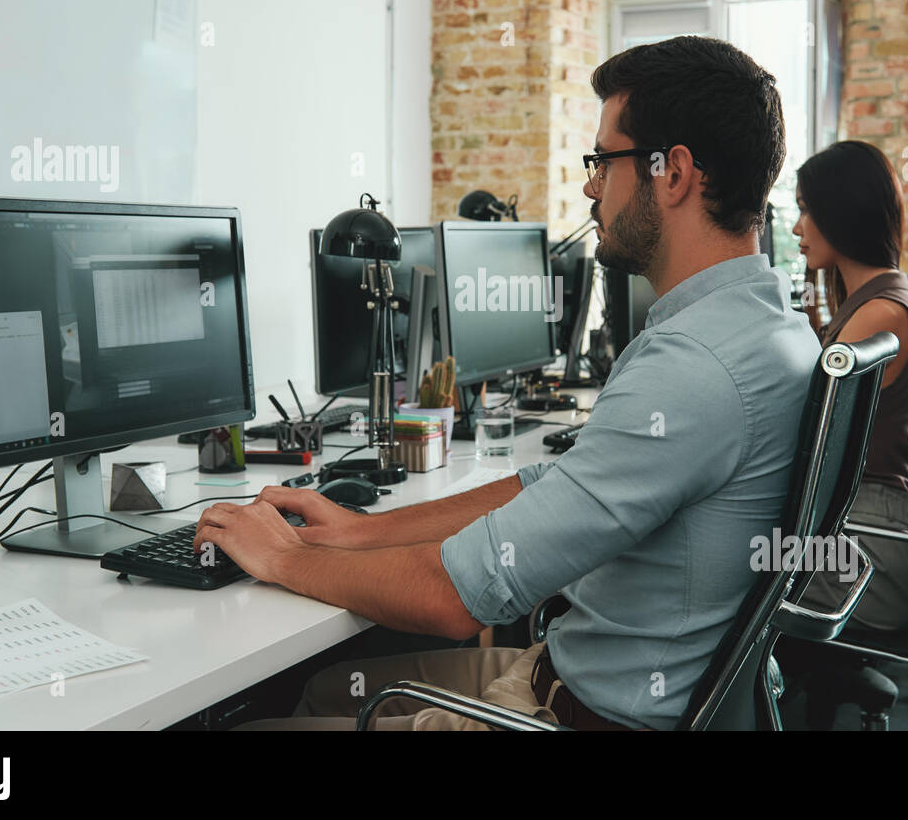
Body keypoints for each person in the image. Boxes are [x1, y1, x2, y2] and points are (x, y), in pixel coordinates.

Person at [193, 36, 821, 730]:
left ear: (671, 173)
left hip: (578, 715)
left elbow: (452, 598)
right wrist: (359, 532)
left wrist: (282, 555)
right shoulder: (771, 329)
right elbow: (549, 490)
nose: (589, 185)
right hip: (580, 679)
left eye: (602, 160)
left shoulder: (692, 366)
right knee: (325, 689)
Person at [787, 141, 908, 632]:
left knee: (720, 565)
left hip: (878, 553)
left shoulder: (879, 312)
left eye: (805, 211)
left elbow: (809, 431)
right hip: (870, 528)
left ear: (841, 212)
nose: (795, 228)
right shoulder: (878, 298)